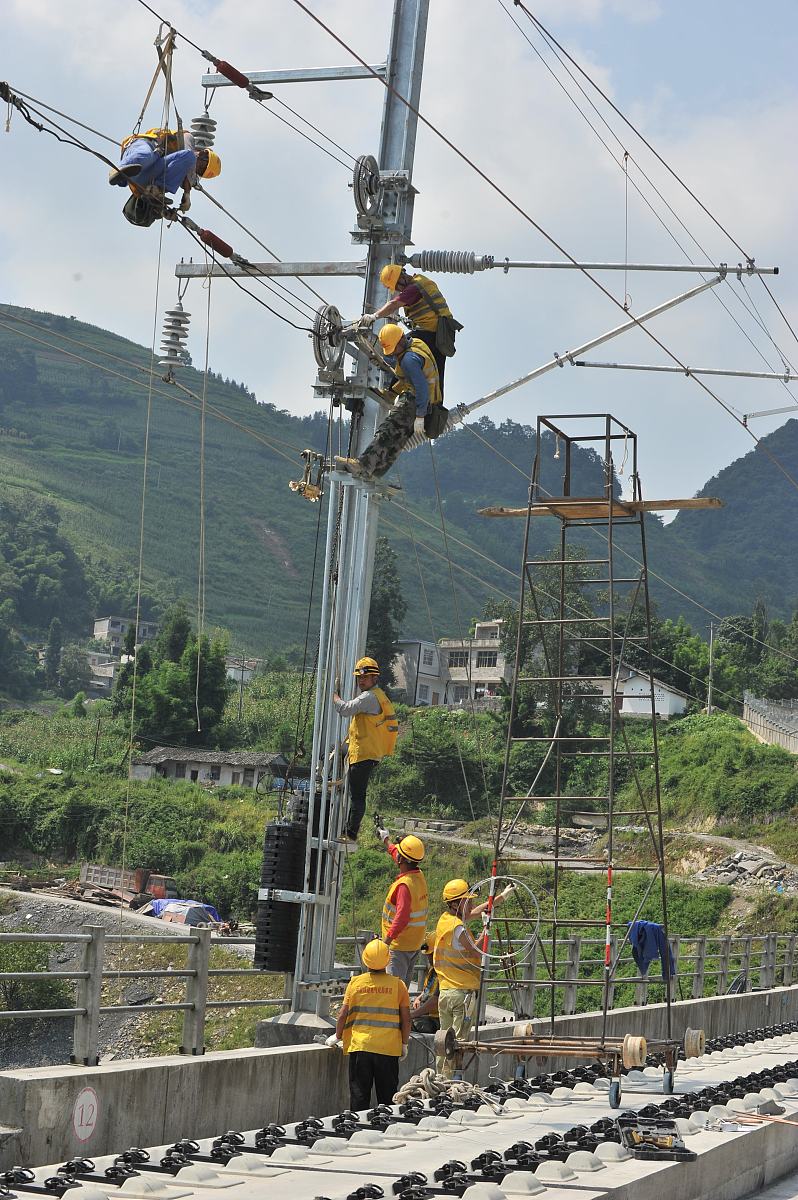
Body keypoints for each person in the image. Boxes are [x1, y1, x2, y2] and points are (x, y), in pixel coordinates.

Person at [337, 324, 442, 481]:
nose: (392, 353)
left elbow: (421, 388)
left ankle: (363, 465)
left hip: (414, 401)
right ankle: (374, 472)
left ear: (400, 341)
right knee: (398, 438)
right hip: (426, 402)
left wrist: (420, 415)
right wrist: (392, 393)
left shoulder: (408, 360)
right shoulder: (416, 343)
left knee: (387, 431)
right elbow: (409, 378)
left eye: (393, 350)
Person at [433, 878, 515, 1076]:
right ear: (454, 904)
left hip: (447, 992)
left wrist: (501, 898)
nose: (470, 904)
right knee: (457, 1042)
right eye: (466, 901)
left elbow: (476, 911)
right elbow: (477, 952)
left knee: (444, 1040)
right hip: (462, 994)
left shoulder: (446, 920)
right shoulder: (458, 928)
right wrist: (485, 930)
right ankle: (449, 1082)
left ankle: (439, 1079)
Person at [330, 938, 410, 1110]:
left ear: (365, 959)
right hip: (388, 1050)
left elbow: (342, 1013)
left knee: (359, 1096)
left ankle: (358, 1131)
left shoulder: (355, 983)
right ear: (388, 960)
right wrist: (404, 1043)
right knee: (388, 1098)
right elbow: (406, 1019)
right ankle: (386, 1131)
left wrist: (337, 1036)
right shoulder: (398, 986)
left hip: (361, 1048)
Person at [363, 265, 462, 395]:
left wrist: (374, 316)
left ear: (401, 279)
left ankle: (392, 393)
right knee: (437, 373)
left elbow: (393, 304)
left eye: (397, 286)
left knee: (402, 348)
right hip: (438, 333)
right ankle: (433, 407)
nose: (398, 290)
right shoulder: (420, 280)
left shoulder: (414, 288)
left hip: (432, 332)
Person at [333, 657, 398, 845]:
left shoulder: (369, 697)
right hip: (367, 752)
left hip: (363, 754)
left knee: (358, 795)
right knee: (356, 792)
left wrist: (334, 695)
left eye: (366, 678)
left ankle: (351, 833)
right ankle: (349, 829)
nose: (361, 681)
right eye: (359, 678)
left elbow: (345, 709)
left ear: (374, 678)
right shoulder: (378, 696)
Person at [109, 127, 221, 223]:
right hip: (144, 146)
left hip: (144, 179)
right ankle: (119, 172)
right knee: (147, 155)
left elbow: (187, 167)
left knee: (179, 162)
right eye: (202, 167)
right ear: (202, 154)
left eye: (200, 172)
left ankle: (156, 189)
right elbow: (189, 156)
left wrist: (163, 210)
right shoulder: (188, 138)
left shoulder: (180, 170)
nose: (198, 169)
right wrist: (187, 192)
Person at [376, 829, 428, 985]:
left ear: (401, 860)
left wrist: (385, 943)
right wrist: (386, 840)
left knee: (393, 990)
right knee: (402, 990)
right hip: (413, 943)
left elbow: (401, 918)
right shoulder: (418, 876)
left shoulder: (404, 886)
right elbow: (397, 854)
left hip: (398, 946)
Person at [411, 939, 440, 1033]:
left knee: (411, 1023)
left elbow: (435, 1001)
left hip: (437, 1018)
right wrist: (418, 998)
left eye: (431, 954)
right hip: (428, 1013)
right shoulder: (433, 970)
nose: (428, 957)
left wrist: (412, 1015)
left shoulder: (444, 973)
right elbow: (427, 990)